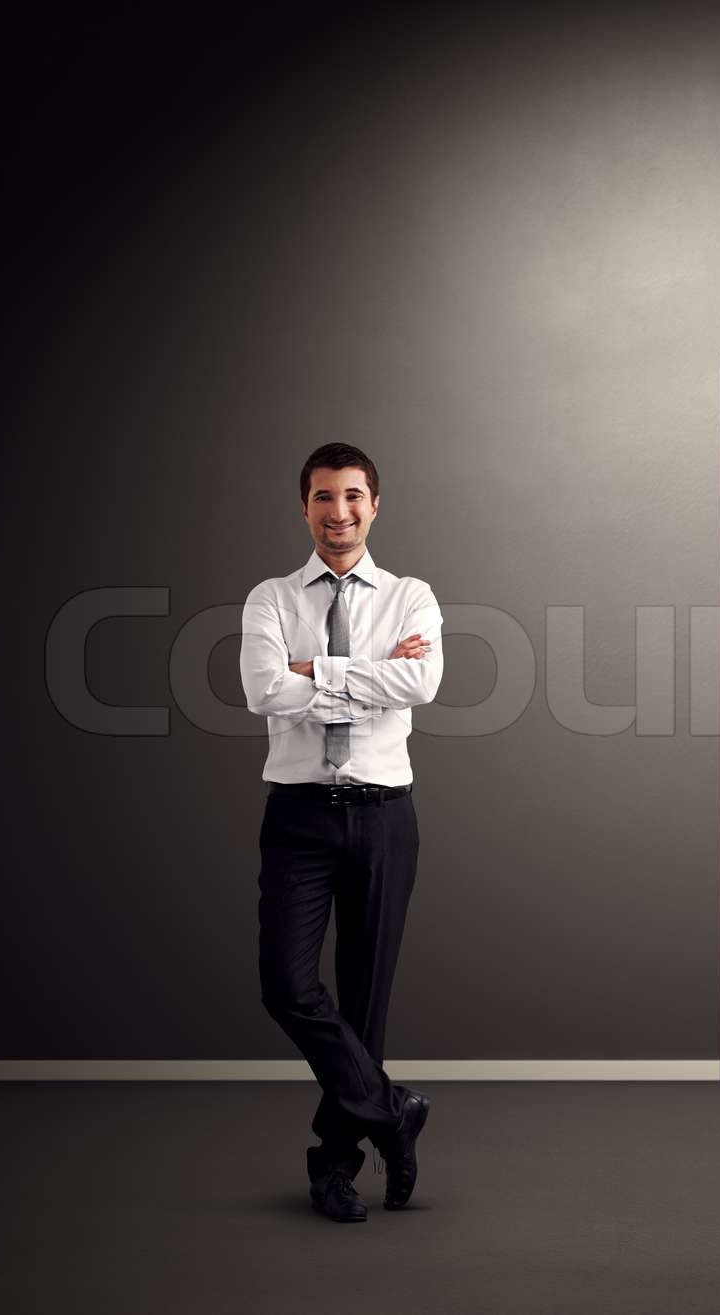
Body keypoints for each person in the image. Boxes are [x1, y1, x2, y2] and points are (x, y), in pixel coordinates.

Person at [239, 442, 444, 1223]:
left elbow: (420, 682)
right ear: (304, 506)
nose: (339, 512)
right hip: (298, 814)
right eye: (324, 497)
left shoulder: (411, 595)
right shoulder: (270, 597)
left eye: (354, 496)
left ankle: (334, 1168)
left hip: (386, 813)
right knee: (287, 985)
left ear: (375, 504)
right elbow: (263, 691)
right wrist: (366, 672)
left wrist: (314, 672)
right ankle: (393, 1112)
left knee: (363, 1001)